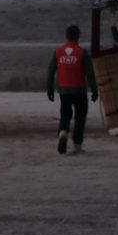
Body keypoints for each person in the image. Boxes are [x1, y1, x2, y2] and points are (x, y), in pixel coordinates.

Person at [46, 24, 98, 154]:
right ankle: (77, 145)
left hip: (64, 90)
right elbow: (90, 73)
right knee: (80, 117)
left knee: (65, 114)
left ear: (66, 36)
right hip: (79, 90)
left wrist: (50, 88)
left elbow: (51, 71)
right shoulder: (82, 53)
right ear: (78, 36)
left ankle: (63, 132)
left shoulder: (58, 52)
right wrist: (95, 90)